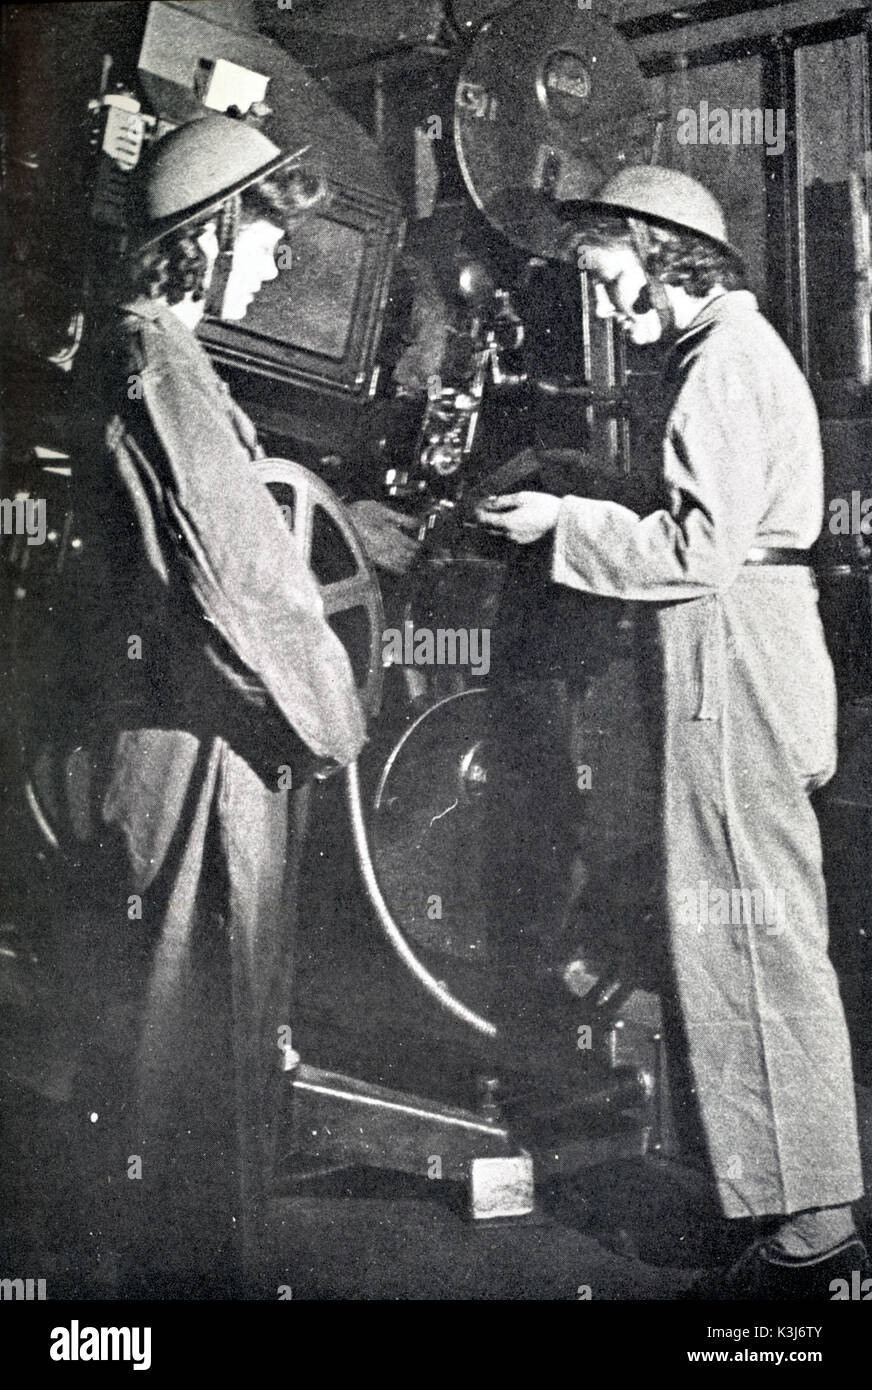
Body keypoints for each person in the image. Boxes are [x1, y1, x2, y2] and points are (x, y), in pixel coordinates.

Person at [476, 166, 868, 1298]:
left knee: (752, 939)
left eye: (604, 273)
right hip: (745, 650)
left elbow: (698, 548)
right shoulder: (726, 356)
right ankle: (792, 1212)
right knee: (747, 934)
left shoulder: (720, 363)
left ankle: (814, 1240)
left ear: (660, 248)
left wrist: (564, 521)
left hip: (729, 655)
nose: (601, 302)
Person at [58, 114, 369, 1297]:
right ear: (207, 235)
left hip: (165, 732)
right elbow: (236, 583)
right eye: (264, 233)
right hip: (202, 751)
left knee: (158, 1039)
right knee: (201, 1043)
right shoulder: (166, 368)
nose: (279, 258)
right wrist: (330, 719)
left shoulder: (137, 353)